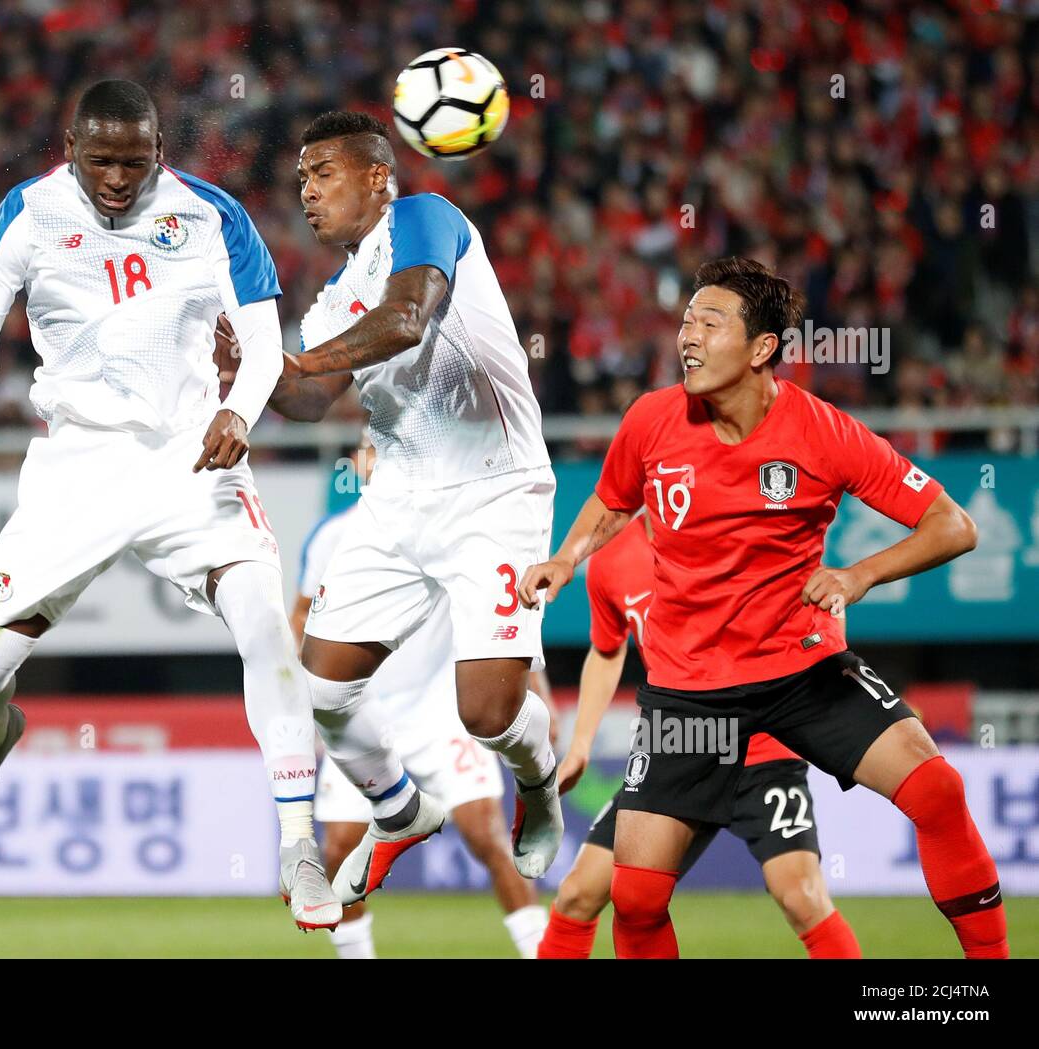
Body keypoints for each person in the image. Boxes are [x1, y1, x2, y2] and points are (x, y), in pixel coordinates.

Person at [0, 79, 340, 932]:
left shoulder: (212, 217)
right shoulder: (25, 214)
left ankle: (300, 840)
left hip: (189, 459)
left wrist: (238, 409)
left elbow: (269, 343)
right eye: (102, 160)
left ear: (160, 150)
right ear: (71, 147)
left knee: (266, 623)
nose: (119, 178)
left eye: (135, 160)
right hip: (73, 472)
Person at [520, 256, 1007, 959]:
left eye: (709, 323)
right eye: (686, 320)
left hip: (800, 673)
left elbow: (953, 524)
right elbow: (614, 498)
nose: (688, 336)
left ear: (761, 349)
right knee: (635, 896)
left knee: (936, 788)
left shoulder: (823, 432)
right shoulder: (653, 419)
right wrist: (568, 557)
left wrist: (860, 574)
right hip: (688, 695)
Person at [263, 110, 561, 902]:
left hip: (494, 489)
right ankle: (398, 809)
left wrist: (295, 361)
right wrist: (249, 368)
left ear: (375, 176)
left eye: (323, 172)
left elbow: (405, 319)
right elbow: (307, 399)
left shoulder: (426, 217)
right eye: (301, 179)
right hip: (397, 498)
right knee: (322, 690)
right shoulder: (328, 303)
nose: (309, 192)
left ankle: (539, 781)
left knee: (490, 712)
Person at [538, 509, 860, 959]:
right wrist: (581, 745)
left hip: (762, 742)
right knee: (577, 894)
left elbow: (813, 599)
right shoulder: (610, 558)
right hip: (683, 741)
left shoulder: (732, 530)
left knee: (801, 896)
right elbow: (608, 650)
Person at [293, 437, 550, 958]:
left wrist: (535, 686)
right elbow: (301, 615)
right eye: (365, 449)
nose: (374, 457)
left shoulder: (445, 525)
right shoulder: (333, 538)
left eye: (382, 447)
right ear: (358, 464)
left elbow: (497, 616)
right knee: (340, 848)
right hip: (363, 710)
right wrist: (308, 693)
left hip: (438, 710)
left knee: (487, 838)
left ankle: (542, 952)